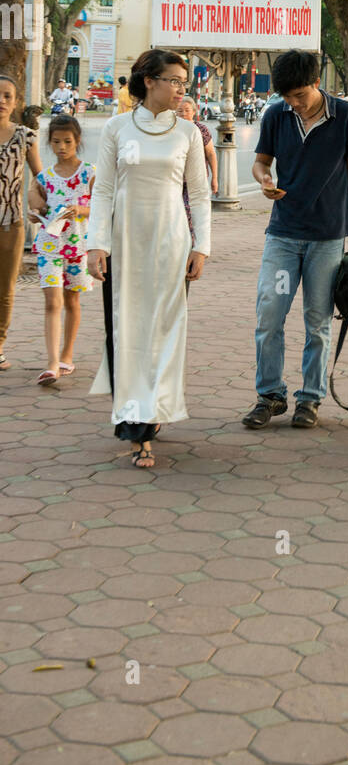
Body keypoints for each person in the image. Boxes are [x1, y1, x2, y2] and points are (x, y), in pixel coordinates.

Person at [86, 50, 211, 470]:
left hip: (172, 243)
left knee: (166, 329)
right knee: (128, 328)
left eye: (183, 82)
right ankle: (136, 420)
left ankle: (154, 408)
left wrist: (201, 246)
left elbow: (199, 194)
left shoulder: (188, 133)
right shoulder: (117, 128)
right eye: (174, 80)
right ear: (149, 81)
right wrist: (96, 243)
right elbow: (103, 190)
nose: (181, 89)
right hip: (124, 244)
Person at [243, 50, 348, 432]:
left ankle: (310, 398)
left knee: (317, 320)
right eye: (287, 97)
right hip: (283, 234)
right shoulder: (276, 115)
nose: (293, 104)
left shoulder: (344, 115)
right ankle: (270, 394)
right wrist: (264, 178)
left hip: (328, 237)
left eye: (299, 95)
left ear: (317, 83)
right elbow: (261, 161)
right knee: (270, 312)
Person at [28, 115, 94, 385]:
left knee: (72, 301)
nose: (62, 146)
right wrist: (35, 213)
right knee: (52, 302)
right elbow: (37, 205)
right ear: (49, 143)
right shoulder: (43, 177)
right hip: (49, 246)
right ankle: (52, 363)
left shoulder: (89, 173)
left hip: (79, 247)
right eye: (56, 142)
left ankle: (67, 355)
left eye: (67, 141)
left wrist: (81, 209)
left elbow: (104, 207)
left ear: (77, 141)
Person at [0, 74, 42, 371]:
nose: (1, 101)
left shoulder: (25, 136)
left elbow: (41, 179)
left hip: (10, 224)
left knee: (5, 288)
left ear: (16, 103)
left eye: (7, 96)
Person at [176, 97, 219, 221]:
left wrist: (214, 179)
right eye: (180, 111)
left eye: (187, 110)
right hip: (175, 179)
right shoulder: (171, 130)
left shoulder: (201, 130)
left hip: (196, 181)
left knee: (193, 214)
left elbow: (211, 154)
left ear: (194, 112)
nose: (183, 114)